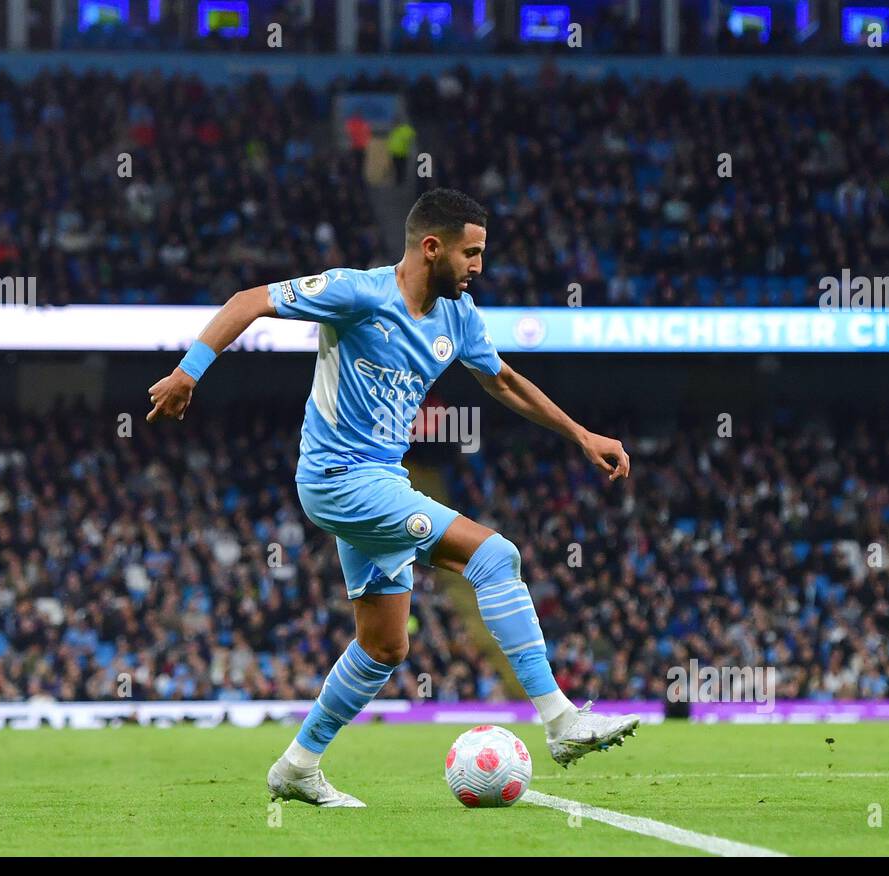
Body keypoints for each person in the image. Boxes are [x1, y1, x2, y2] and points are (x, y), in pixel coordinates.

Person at [147, 188, 638, 807]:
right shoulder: (358, 292)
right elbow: (251, 301)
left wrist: (580, 434)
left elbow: (504, 381)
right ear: (432, 248)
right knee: (494, 557)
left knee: (384, 645)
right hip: (337, 479)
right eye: (472, 253)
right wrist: (188, 372)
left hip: (382, 479)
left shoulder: (459, 317)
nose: (479, 267)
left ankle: (298, 765)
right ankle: (562, 721)